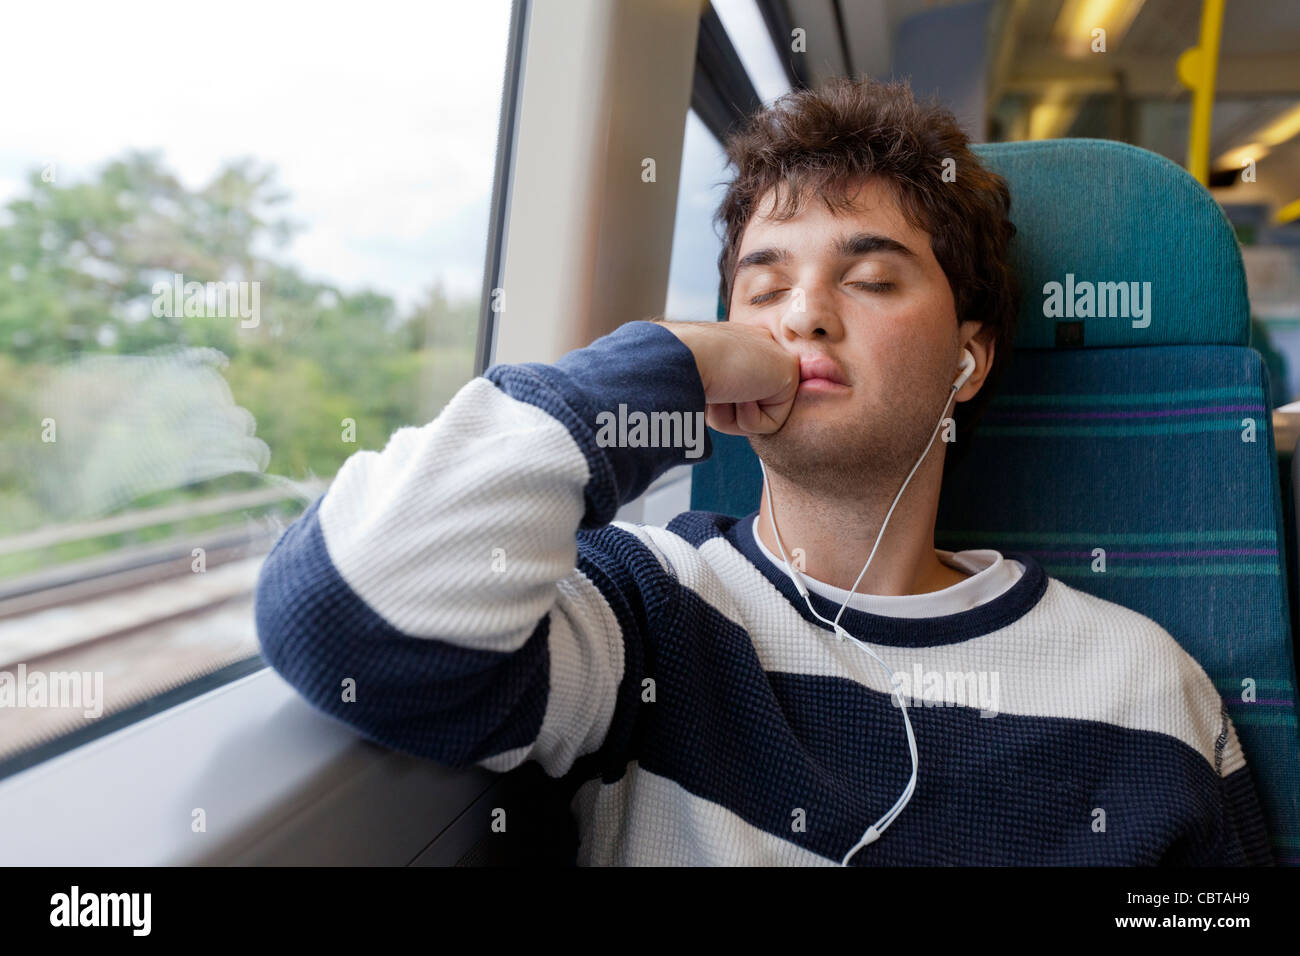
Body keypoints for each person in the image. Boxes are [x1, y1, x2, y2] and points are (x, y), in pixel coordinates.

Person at [254, 77, 1272, 865]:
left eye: (870, 278)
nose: (805, 313)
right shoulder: (645, 609)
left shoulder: (1140, 683)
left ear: (967, 358)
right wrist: (662, 366)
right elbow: (341, 612)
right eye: (765, 282)